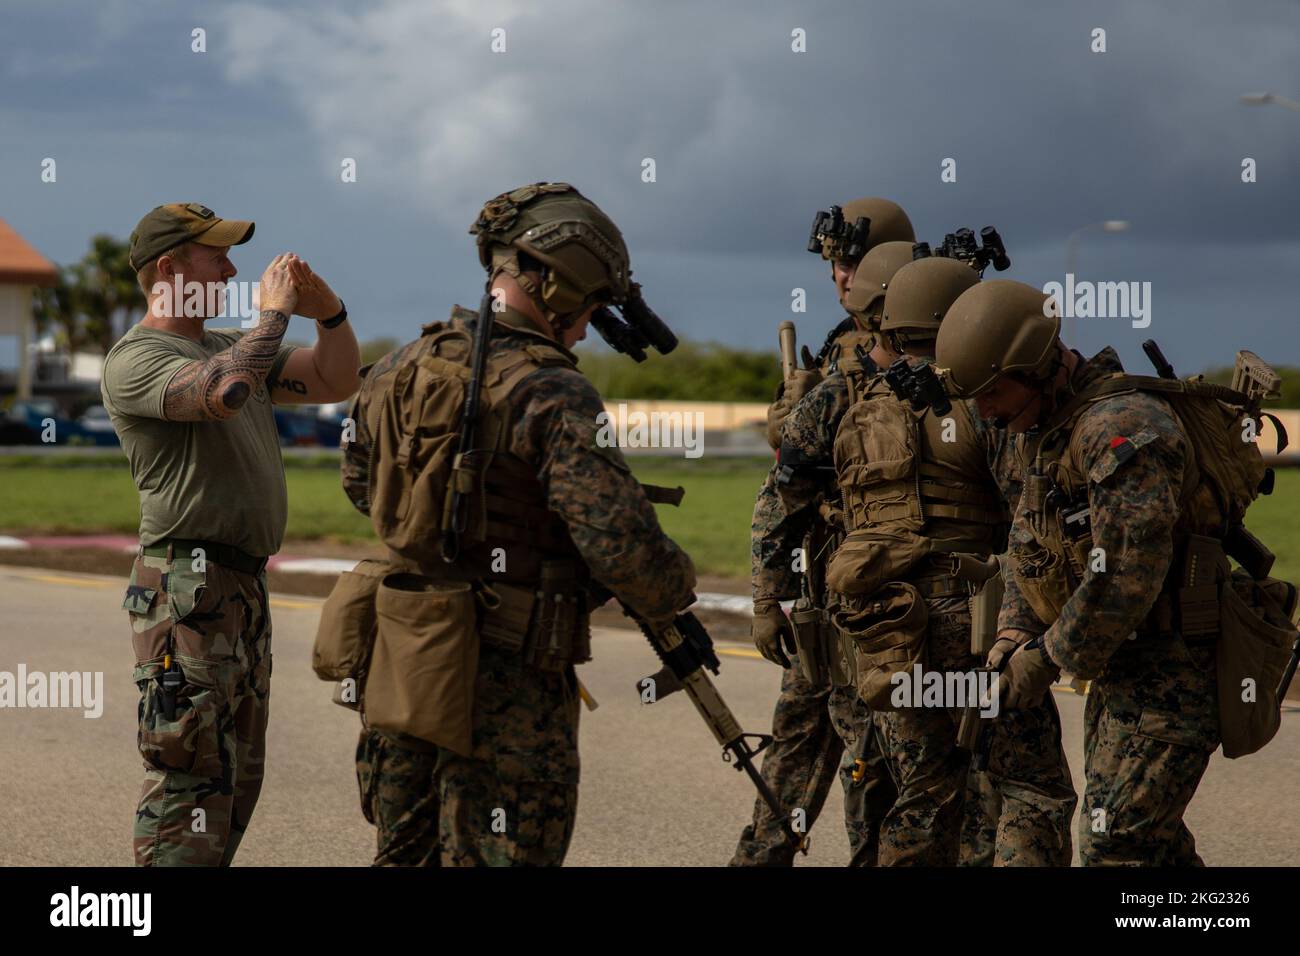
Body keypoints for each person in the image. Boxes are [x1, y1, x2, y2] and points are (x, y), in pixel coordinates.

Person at [340, 182, 696, 866]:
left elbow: (362, 485)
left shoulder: (396, 368)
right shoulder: (553, 390)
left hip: (409, 662)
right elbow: (622, 549)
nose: (587, 328)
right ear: (557, 286)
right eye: (588, 307)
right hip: (510, 687)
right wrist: (674, 587)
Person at [936, 279, 1233, 865]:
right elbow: (1030, 543)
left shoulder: (1121, 428)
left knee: (1117, 840)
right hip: (1123, 667)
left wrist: (1042, 661)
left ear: (1037, 366)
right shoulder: (1046, 430)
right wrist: (1011, 634)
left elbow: (1125, 575)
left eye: (993, 393)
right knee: (1150, 843)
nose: (986, 414)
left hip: (1175, 665)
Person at [105, 201, 360, 865]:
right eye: (213, 255)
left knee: (237, 778)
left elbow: (336, 377)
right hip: (185, 589)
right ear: (168, 268)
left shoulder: (226, 346)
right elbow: (223, 391)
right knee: (190, 772)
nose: (231, 268)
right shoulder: (137, 358)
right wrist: (273, 314)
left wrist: (329, 312)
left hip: (242, 585)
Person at [825, 258, 1076, 865]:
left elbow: (795, 501)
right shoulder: (976, 401)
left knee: (925, 795)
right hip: (976, 621)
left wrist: (768, 598)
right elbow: (1029, 516)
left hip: (888, 629)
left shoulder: (852, 409)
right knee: (1030, 787)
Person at [733, 197, 914, 866]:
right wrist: (767, 593)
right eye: (834, 262)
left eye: (853, 261)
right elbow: (787, 486)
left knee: (878, 768)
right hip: (823, 586)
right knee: (794, 750)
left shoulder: (933, 345)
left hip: (891, 599)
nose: (840, 275)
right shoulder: (840, 349)